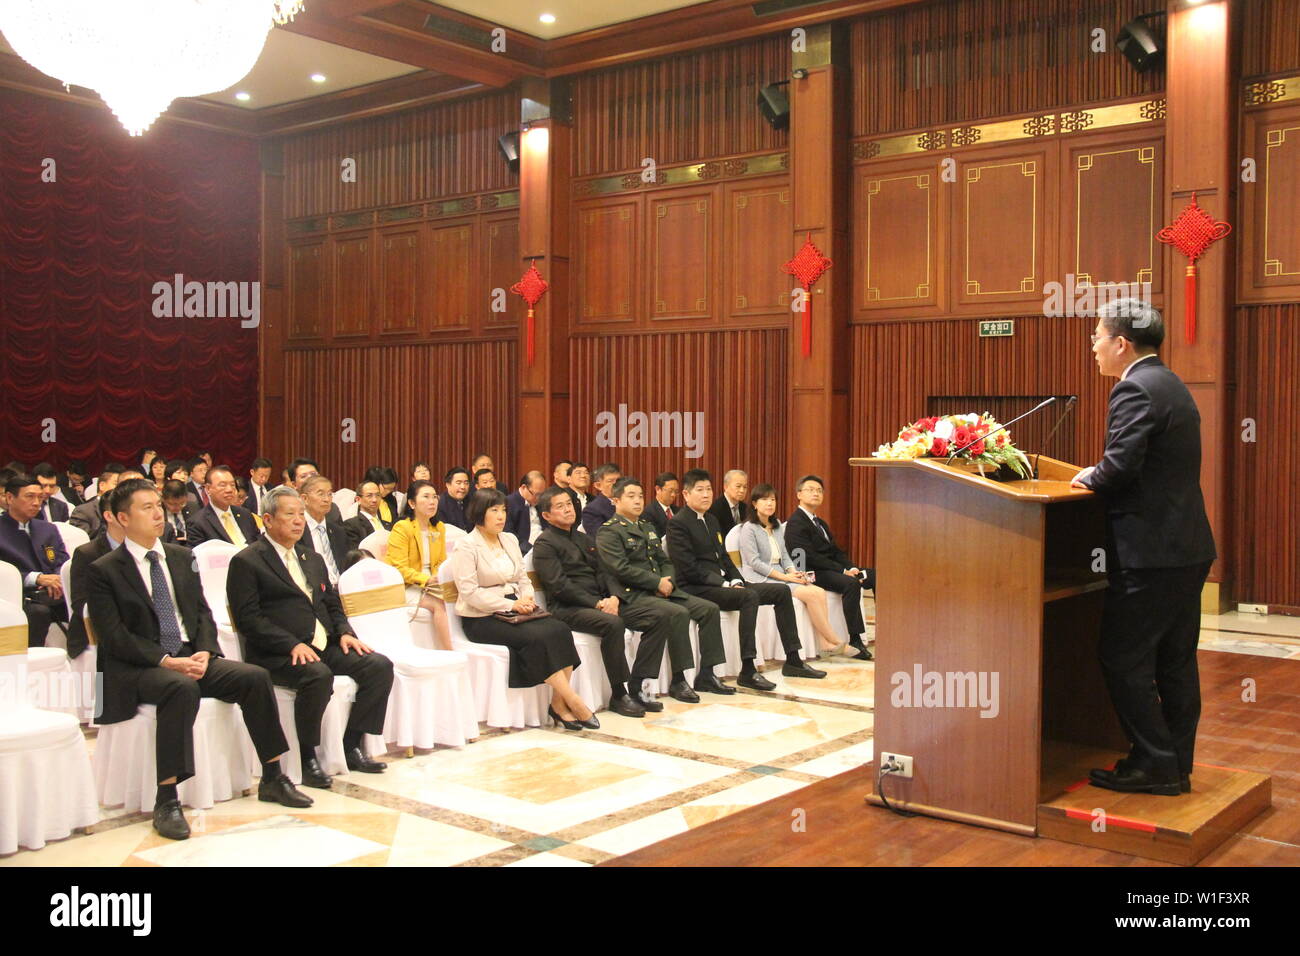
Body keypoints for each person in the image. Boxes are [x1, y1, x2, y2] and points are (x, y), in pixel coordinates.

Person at [85, 478, 311, 840]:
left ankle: (273, 776)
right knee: (180, 688)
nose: (158, 513)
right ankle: (167, 799)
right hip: (139, 667)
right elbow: (114, 637)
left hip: (191, 654)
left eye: (158, 505)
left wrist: (206, 650)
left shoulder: (180, 555)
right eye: (147, 508)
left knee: (253, 677)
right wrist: (165, 661)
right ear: (123, 518)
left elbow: (202, 613)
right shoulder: (103, 569)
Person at [1070, 299, 1216, 797]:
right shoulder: (1171, 383)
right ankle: (1174, 764)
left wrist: (1090, 474)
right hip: (1186, 547)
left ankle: (1154, 764)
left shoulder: (1133, 386)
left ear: (1121, 343)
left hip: (1150, 553)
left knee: (1122, 657)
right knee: (1174, 661)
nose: (1092, 345)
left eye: (1096, 336)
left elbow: (1118, 470)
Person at [227, 487, 393, 787]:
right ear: (267, 519)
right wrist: (290, 643)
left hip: (321, 643)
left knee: (378, 666)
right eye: (289, 514)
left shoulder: (311, 557)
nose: (298, 521)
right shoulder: (247, 561)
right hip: (277, 652)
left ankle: (352, 745)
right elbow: (249, 620)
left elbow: (331, 602)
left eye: (300, 514)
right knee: (317, 676)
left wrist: (344, 632)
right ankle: (307, 757)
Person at [668, 469, 826, 688]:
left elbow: (724, 558)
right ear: (685, 495)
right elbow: (689, 569)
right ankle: (748, 669)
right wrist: (724, 583)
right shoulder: (678, 523)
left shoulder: (711, 520)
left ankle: (793, 660)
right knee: (748, 597)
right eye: (700, 490)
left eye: (709, 490)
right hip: (696, 587)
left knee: (780, 591)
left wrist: (735, 579)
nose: (706, 495)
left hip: (723, 584)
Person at [450, 488, 593, 729]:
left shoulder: (510, 539)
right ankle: (573, 700)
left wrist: (525, 598)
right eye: (494, 511)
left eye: (503, 510)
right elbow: (469, 593)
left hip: (517, 611)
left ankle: (558, 703)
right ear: (479, 513)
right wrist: (511, 604)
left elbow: (522, 579)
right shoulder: (466, 546)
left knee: (559, 630)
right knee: (537, 638)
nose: (500, 516)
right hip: (482, 618)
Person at [532, 486, 671, 718]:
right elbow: (560, 586)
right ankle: (619, 693)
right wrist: (597, 604)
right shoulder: (545, 544)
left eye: (569, 504)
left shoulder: (583, 538)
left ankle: (638, 687)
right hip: (568, 608)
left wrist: (614, 597)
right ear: (546, 516)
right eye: (560, 506)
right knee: (613, 624)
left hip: (602, 603)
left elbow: (605, 573)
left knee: (658, 618)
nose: (568, 509)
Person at [596, 477, 733, 702]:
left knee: (708, 609)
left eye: (640, 496)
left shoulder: (647, 527)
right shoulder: (609, 532)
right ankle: (678, 680)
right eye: (631, 496)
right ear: (616, 500)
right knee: (677, 613)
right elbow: (620, 568)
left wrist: (666, 579)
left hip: (661, 590)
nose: (638, 501)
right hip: (634, 595)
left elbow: (663, 559)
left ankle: (707, 674)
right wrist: (655, 582)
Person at [738, 484, 868, 660]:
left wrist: (793, 572)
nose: (770, 503)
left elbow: (784, 555)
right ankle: (836, 641)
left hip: (783, 574)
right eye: (764, 499)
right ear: (754, 504)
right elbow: (754, 563)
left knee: (819, 591)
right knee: (812, 594)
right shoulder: (748, 528)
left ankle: (825, 644)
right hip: (760, 578)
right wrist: (785, 577)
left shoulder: (775, 526)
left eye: (773, 499)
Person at [784, 475, 874, 660]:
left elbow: (836, 551)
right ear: (799, 494)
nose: (816, 493)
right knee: (850, 583)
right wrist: (842, 571)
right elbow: (808, 557)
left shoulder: (820, 522)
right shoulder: (795, 523)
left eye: (819, 490)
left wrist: (851, 567)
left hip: (829, 570)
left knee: (873, 575)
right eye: (810, 490)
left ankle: (889, 630)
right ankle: (855, 639)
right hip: (812, 573)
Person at [0, 472, 69, 645]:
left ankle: (86, 662)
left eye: (40, 497)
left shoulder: (47, 529)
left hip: (55, 591)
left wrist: (57, 578)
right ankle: (29, 664)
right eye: (30, 497)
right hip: (18, 595)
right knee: (39, 612)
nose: (37, 503)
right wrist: (36, 578)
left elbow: (62, 560)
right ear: (9, 498)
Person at [385, 480, 453, 651]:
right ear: (412, 503)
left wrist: (438, 578)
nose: (432, 501)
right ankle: (448, 651)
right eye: (426, 497)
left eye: (434, 497)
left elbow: (440, 561)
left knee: (458, 595)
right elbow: (399, 568)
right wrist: (427, 580)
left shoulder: (438, 527)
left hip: (432, 583)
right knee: (439, 604)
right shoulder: (402, 528)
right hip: (408, 585)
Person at [66, 490, 128, 660]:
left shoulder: (150, 549)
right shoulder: (87, 554)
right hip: (100, 633)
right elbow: (81, 603)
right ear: (110, 516)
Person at [184, 465, 260, 547]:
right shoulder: (197, 522)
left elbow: (259, 544)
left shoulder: (245, 514)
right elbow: (199, 556)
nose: (229, 490)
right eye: (223, 485)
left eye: (232, 485)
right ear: (208, 489)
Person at [69, 463, 127, 536]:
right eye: (115, 484)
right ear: (102, 485)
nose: (119, 488)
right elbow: (83, 541)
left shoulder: (125, 508)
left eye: (121, 485)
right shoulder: (83, 511)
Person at [344, 479, 395, 549]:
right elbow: (356, 554)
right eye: (369, 496)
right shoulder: (351, 525)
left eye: (378, 495)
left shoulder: (389, 525)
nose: (374, 500)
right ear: (358, 500)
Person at [505, 471, 547, 555]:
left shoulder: (541, 502)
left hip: (545, 546)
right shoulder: (509, 503)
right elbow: (509, 534)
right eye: (537, 495)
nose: (539, 498)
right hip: (525, 551)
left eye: (542, 494)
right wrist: (532, 550)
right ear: (524, 487)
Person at [580, 463, 621, 538]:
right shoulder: (592, 510)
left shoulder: (627, 503)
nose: (616, 484)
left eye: (618, 480)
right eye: (610, 481)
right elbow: (601, 538)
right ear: (598, 486)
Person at [707, 469, 750, 538]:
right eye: (738, 486)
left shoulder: (746, 508)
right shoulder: (715, 509)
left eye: (745, 487)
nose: (742, 490)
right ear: (726, 487)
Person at [643, 472, 679, 538]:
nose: (673, 495)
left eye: (676, 491)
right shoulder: (648, 513)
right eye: (670, 491)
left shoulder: (679, 511)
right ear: (658, 489)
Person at [160, 479, 195, 545]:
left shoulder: (193, 507)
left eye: (182, 503)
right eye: (172, 504)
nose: (177, 507)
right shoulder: (158, 512)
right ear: (163, 499)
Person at [436, 466, 471, 531]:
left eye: (466, 483)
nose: (463, 487)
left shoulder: (473, 501)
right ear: (448, 485)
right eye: (458, 483)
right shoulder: (439, 504)